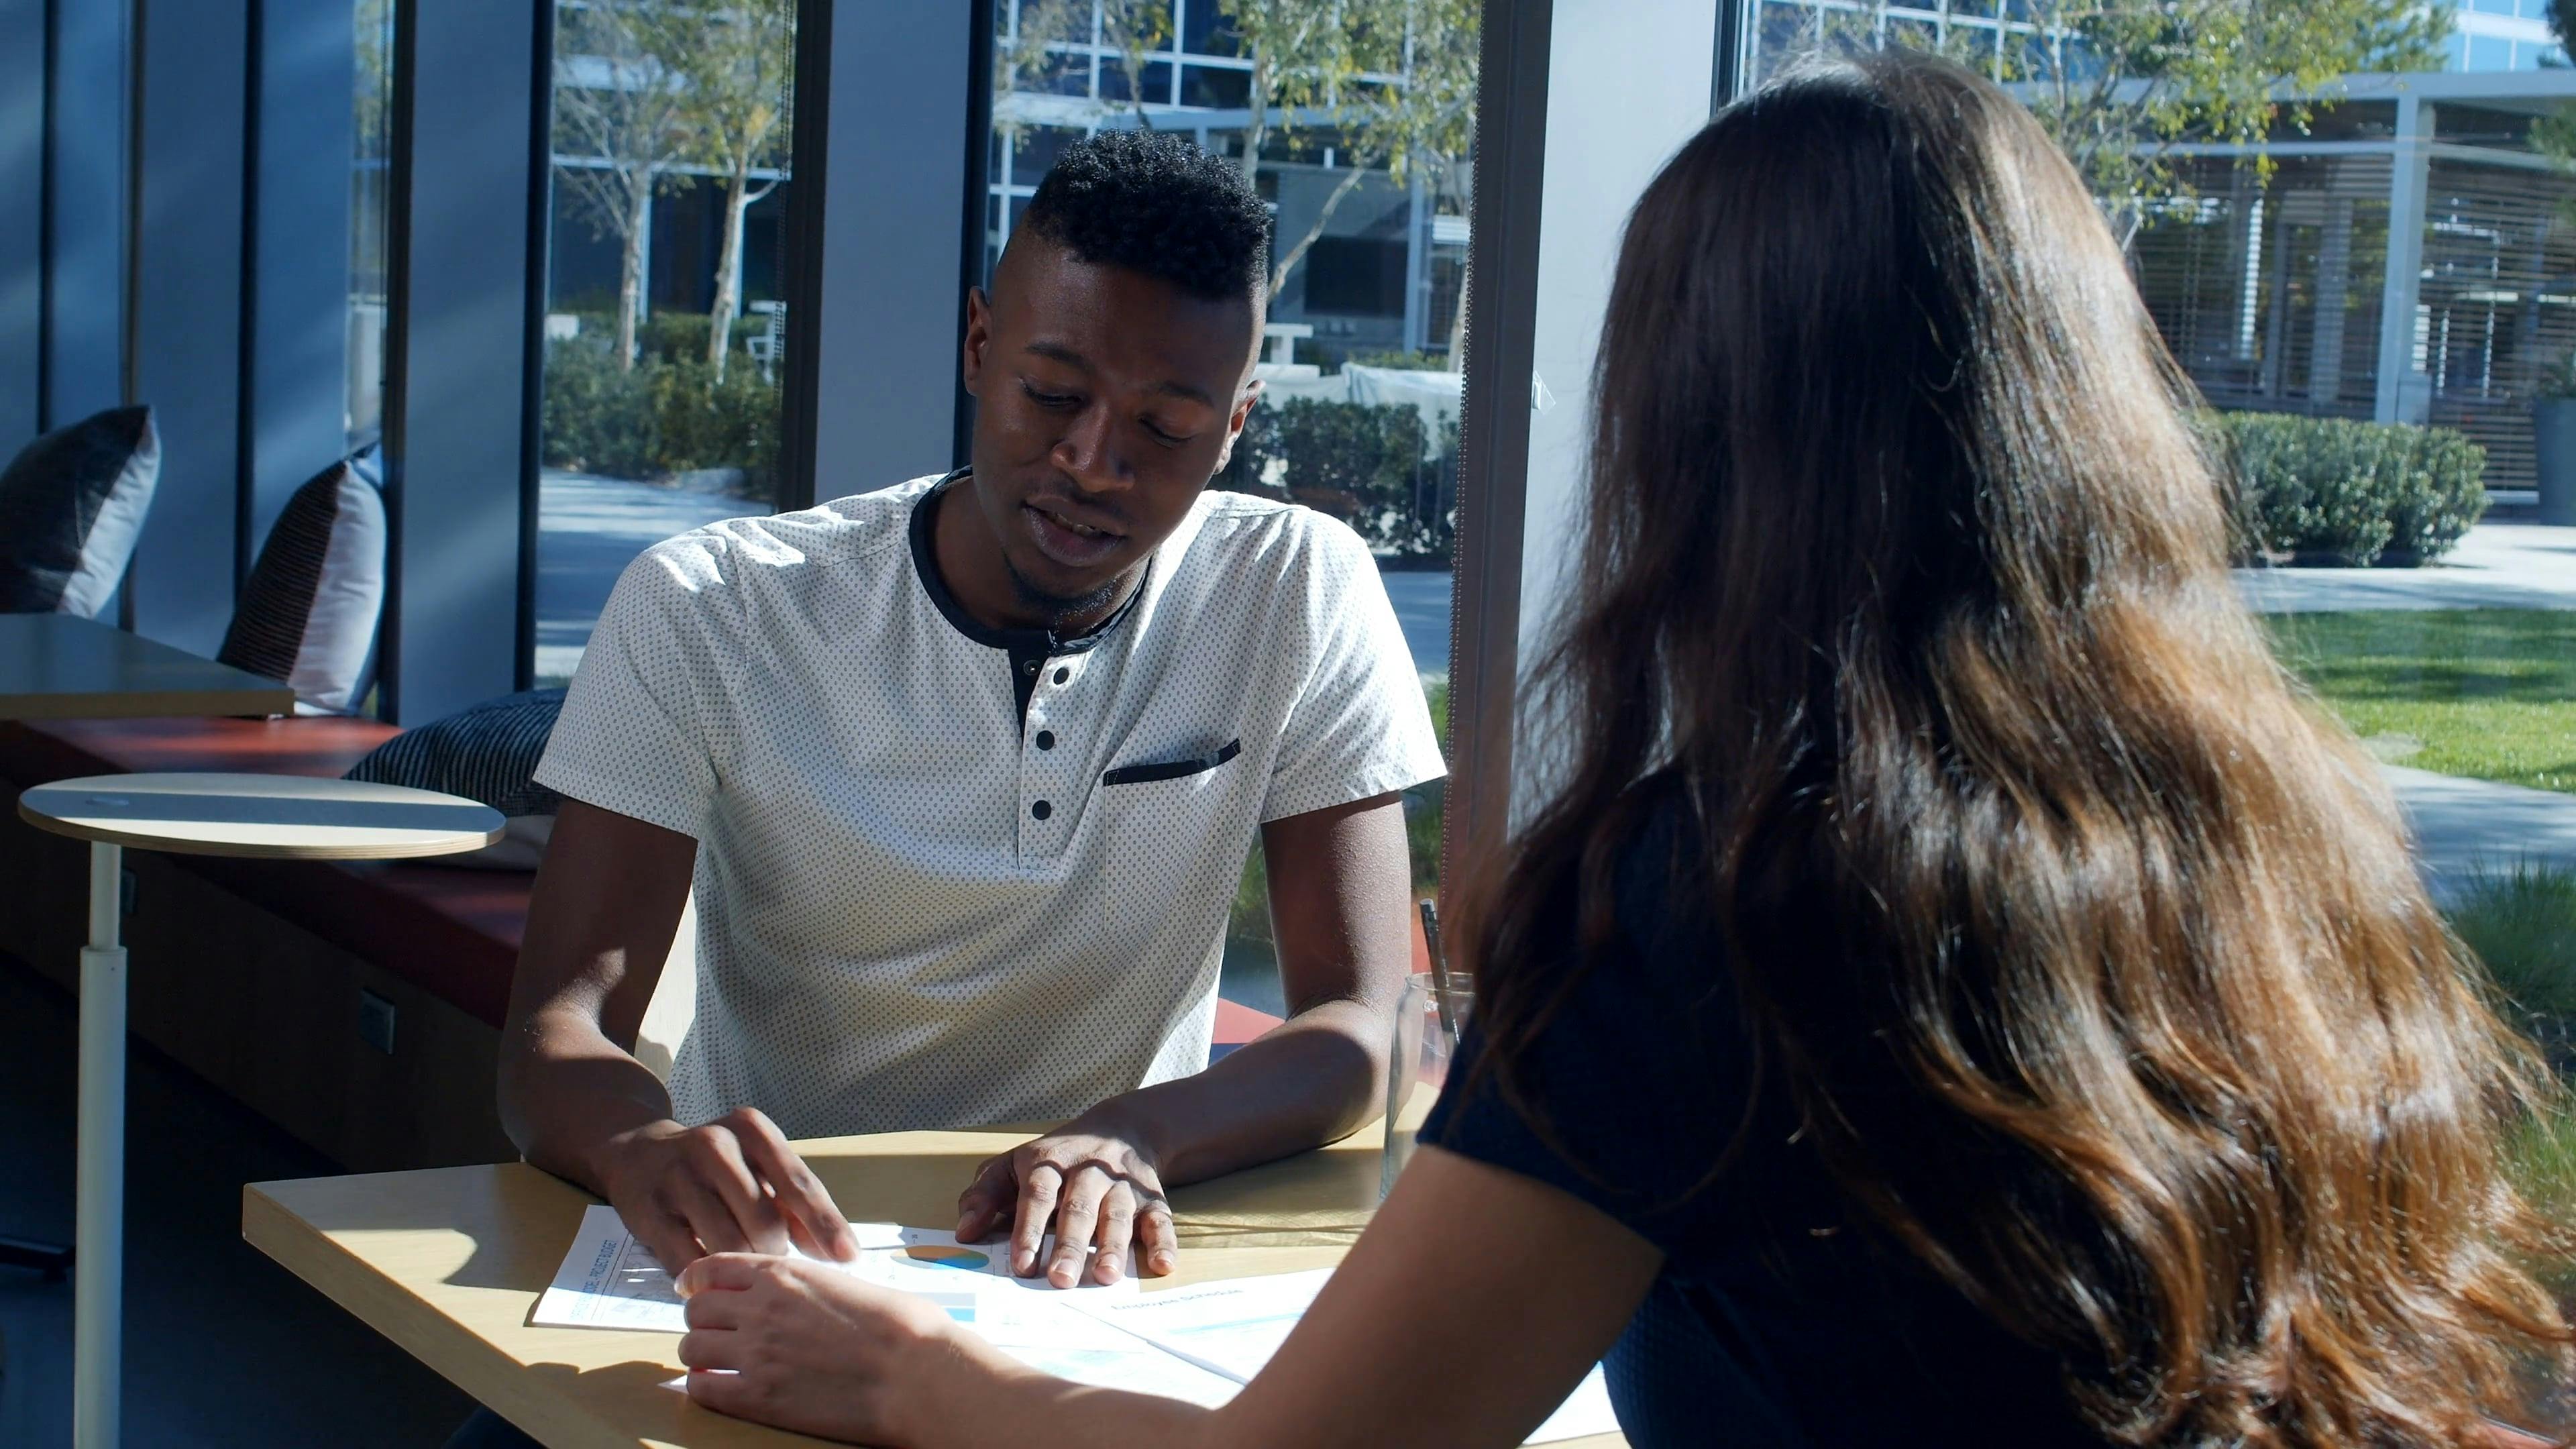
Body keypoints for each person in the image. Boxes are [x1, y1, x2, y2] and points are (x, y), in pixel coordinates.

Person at [651, 52, 2575, 1449]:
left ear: (1694, 429)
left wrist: (911, 1373)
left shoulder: (1724, 897)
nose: (1095, 461)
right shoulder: (2272, 828)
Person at [497, 131, 1444, 1291]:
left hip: (1092, 1262)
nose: (1094, 462)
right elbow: (555, 1041)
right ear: (980, 347)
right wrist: (644, 1145)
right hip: (788, 1251)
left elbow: (1362, 1021)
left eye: (1166, 428)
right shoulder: (714, 606)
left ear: (1237, 422)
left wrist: (1136, 1135)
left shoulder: (1294, 588)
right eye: (1053, 395)